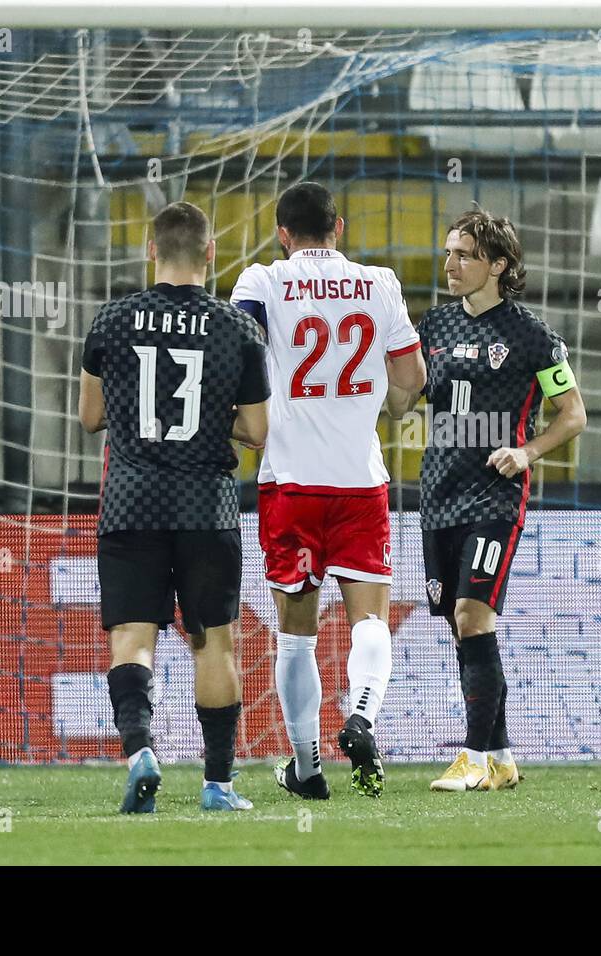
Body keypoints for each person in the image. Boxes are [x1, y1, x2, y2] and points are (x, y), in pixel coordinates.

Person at [230, 181, 426, 799]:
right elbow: (412, 376)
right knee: (370, 616)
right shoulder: (380, 283)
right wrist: (391, 403)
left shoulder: (261, 281)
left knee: (298, 632)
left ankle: (308, 766)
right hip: (358, 479)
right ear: (338, 227)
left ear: (282, 234)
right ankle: (363, 714)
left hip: (289, 479)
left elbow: (234, 354)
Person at [78, 200, 270, 813]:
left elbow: (89, 418)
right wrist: (216, 419)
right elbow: (259, 430)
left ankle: (141, 753)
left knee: (132, 638)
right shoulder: (238, 329)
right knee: (214, 643)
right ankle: (218, 785)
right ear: (211, 252)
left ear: (149, 249)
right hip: (206, 507)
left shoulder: (111, 321)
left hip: (133, 501)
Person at [412, 209, 587, 792]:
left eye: (464, 254)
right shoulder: (432, 326)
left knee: (472, 615)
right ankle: (504, 756)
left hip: (495, 497)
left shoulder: (531, 335)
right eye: (448, 252)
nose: (450, 264)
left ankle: (473, 758)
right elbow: (401, 400)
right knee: (465, 631)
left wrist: (526, 453)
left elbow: (574, 416)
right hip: (437, 495)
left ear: (498, 265)